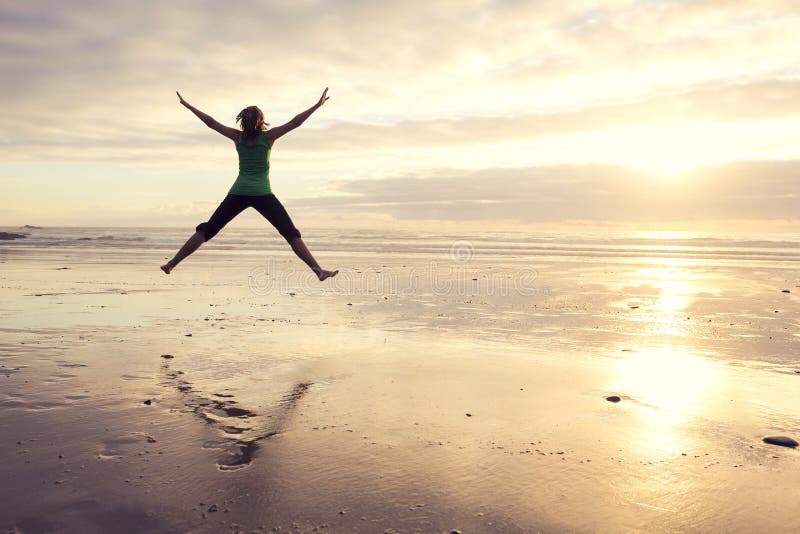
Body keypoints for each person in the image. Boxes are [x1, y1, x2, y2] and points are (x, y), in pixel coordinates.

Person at [160, 89, 338, 281]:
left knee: (207, 230)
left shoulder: (238, 138)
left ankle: (171, 264)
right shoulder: (268, 137)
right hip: (263, 194)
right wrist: (317, 106)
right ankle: (318, 271)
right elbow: (296, 122)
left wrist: (188, 106)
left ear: (242, 121)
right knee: (291, 234)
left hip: (239, 192)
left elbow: (210, 123)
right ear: (261, 121)